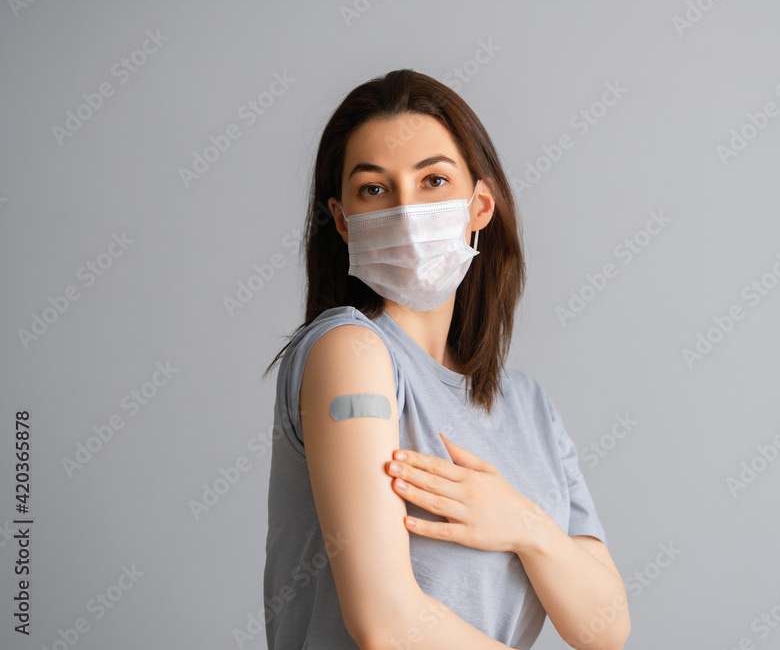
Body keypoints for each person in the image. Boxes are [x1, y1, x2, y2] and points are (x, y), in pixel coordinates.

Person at [261, 69, 630, 650]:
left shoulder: (529, 406)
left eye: (433, 180)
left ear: (479, 206)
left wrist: (524, 525)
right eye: (375, 190)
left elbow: (605, 628)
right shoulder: (350, 353)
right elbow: (386, 620)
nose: (407, 213)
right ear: (342, 221)